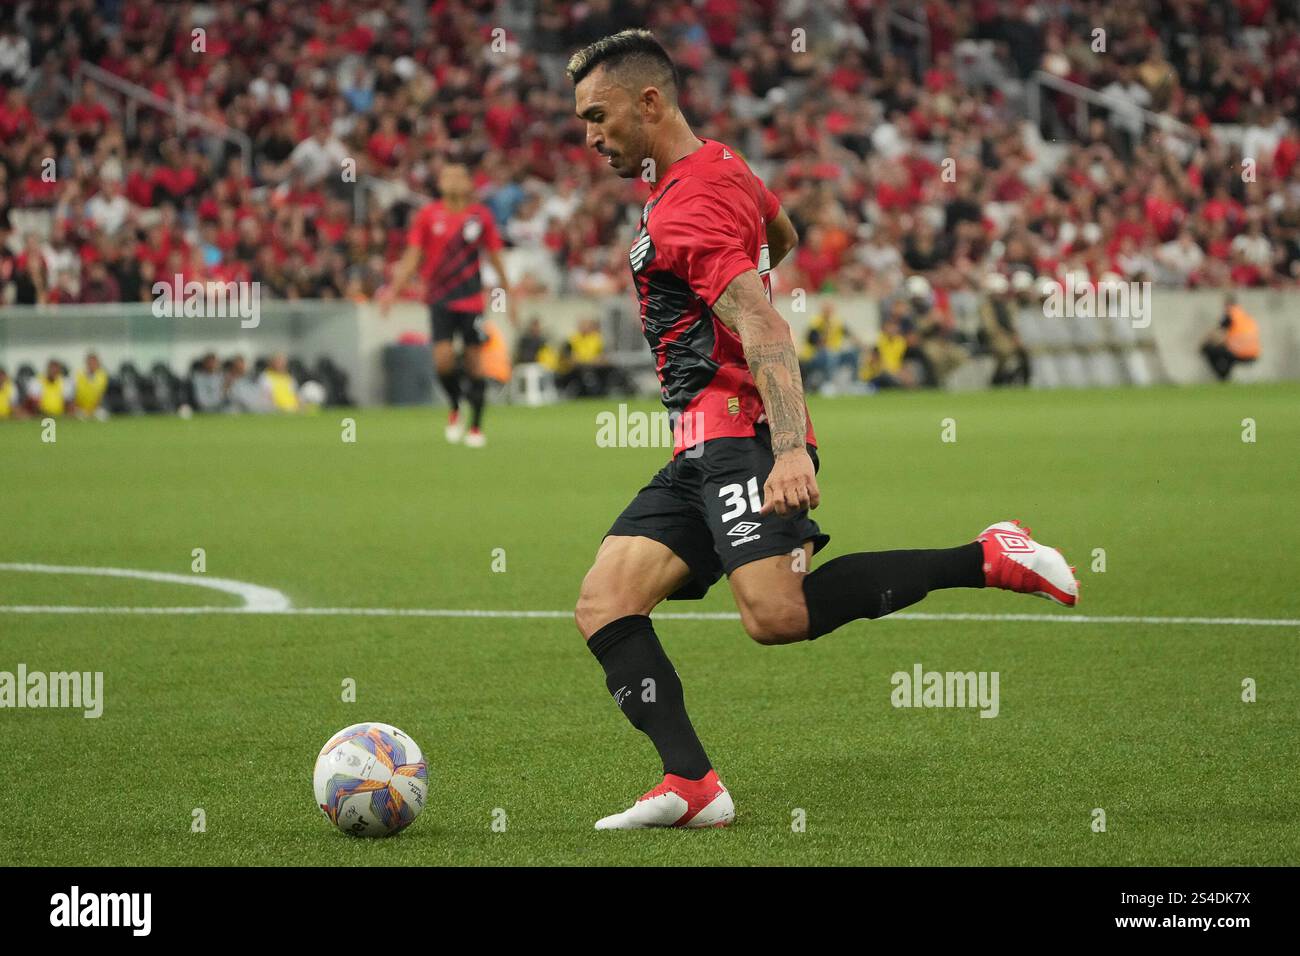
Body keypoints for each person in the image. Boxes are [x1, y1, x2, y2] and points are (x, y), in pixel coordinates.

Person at [567, 30, 1080, 831]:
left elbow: (766, 326)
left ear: (650, 102)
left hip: (739, 433)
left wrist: (788, 446)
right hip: (698, 445)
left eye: (598, 117)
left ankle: (990, 556)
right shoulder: (721, 167)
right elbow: (784, 237)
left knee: (776, 615)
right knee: (605, 601)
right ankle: (693, 784)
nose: (590, 137)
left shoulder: (687, 205)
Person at [379, 163, 515, 448]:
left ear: (468, 183)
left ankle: (476, 426)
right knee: (442, 360)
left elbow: (495, 255)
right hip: (439, 299)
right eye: (446, 176)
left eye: (458, 176)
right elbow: (413, 256)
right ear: (439, 183)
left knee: (475, 363)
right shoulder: (428, 216)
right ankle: (455, 405)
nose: (452, 180)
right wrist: (394, 291)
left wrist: (509, 294)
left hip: (471, 300)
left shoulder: (480, 216)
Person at [1201, 296, 1260, 381]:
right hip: (1253, 352)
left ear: (1227, 304)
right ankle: (1225, 378)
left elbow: (1217, 334)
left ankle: (1223, 378)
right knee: (1226, 356)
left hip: (1238, 351)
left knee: (1207, 349)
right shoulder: (1244, 315)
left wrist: (1204, 342)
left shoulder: (1230, 315)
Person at [72, 352, 109, 419]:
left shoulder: (102, 375)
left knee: (102, 416)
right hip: (81, 408)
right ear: (86, 363)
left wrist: (92, 409)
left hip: (95, 409)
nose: (92, 364)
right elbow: (74, 393)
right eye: (90, 362)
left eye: (94, 362)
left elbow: (100, 395)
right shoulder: (78, 375)